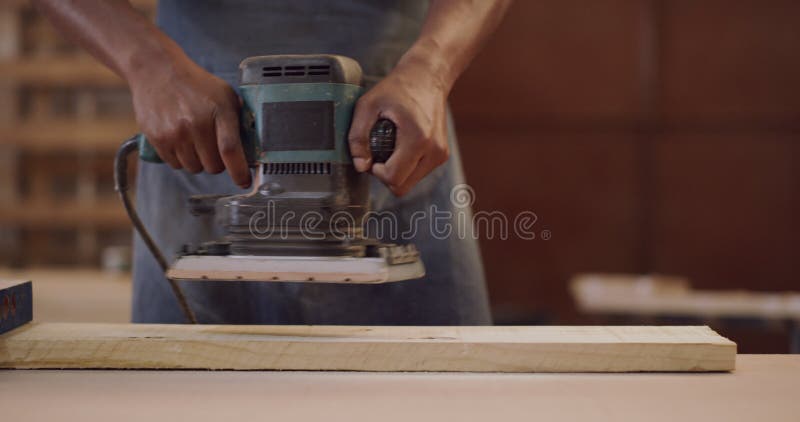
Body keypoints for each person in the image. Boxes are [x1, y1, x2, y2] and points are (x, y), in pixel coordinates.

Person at [34, 0, 512, 325]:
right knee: (184, 395)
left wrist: (431, 67)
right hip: (201, 132)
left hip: (397, 127)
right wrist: (149, 65)